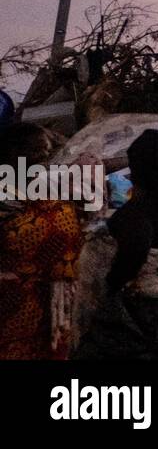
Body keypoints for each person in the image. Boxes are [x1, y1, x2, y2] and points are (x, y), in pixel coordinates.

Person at [0, 122, 83, 359]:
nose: (45, 159)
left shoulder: (51, 203)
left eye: (46, 153)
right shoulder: (55, 210)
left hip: (43, 305)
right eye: (38, 153)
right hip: (22, 306)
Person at [105, 128, 158, 299]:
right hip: (155, 299)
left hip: (132, 304)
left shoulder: (139, 212)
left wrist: (111, 286)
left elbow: (134, 253)